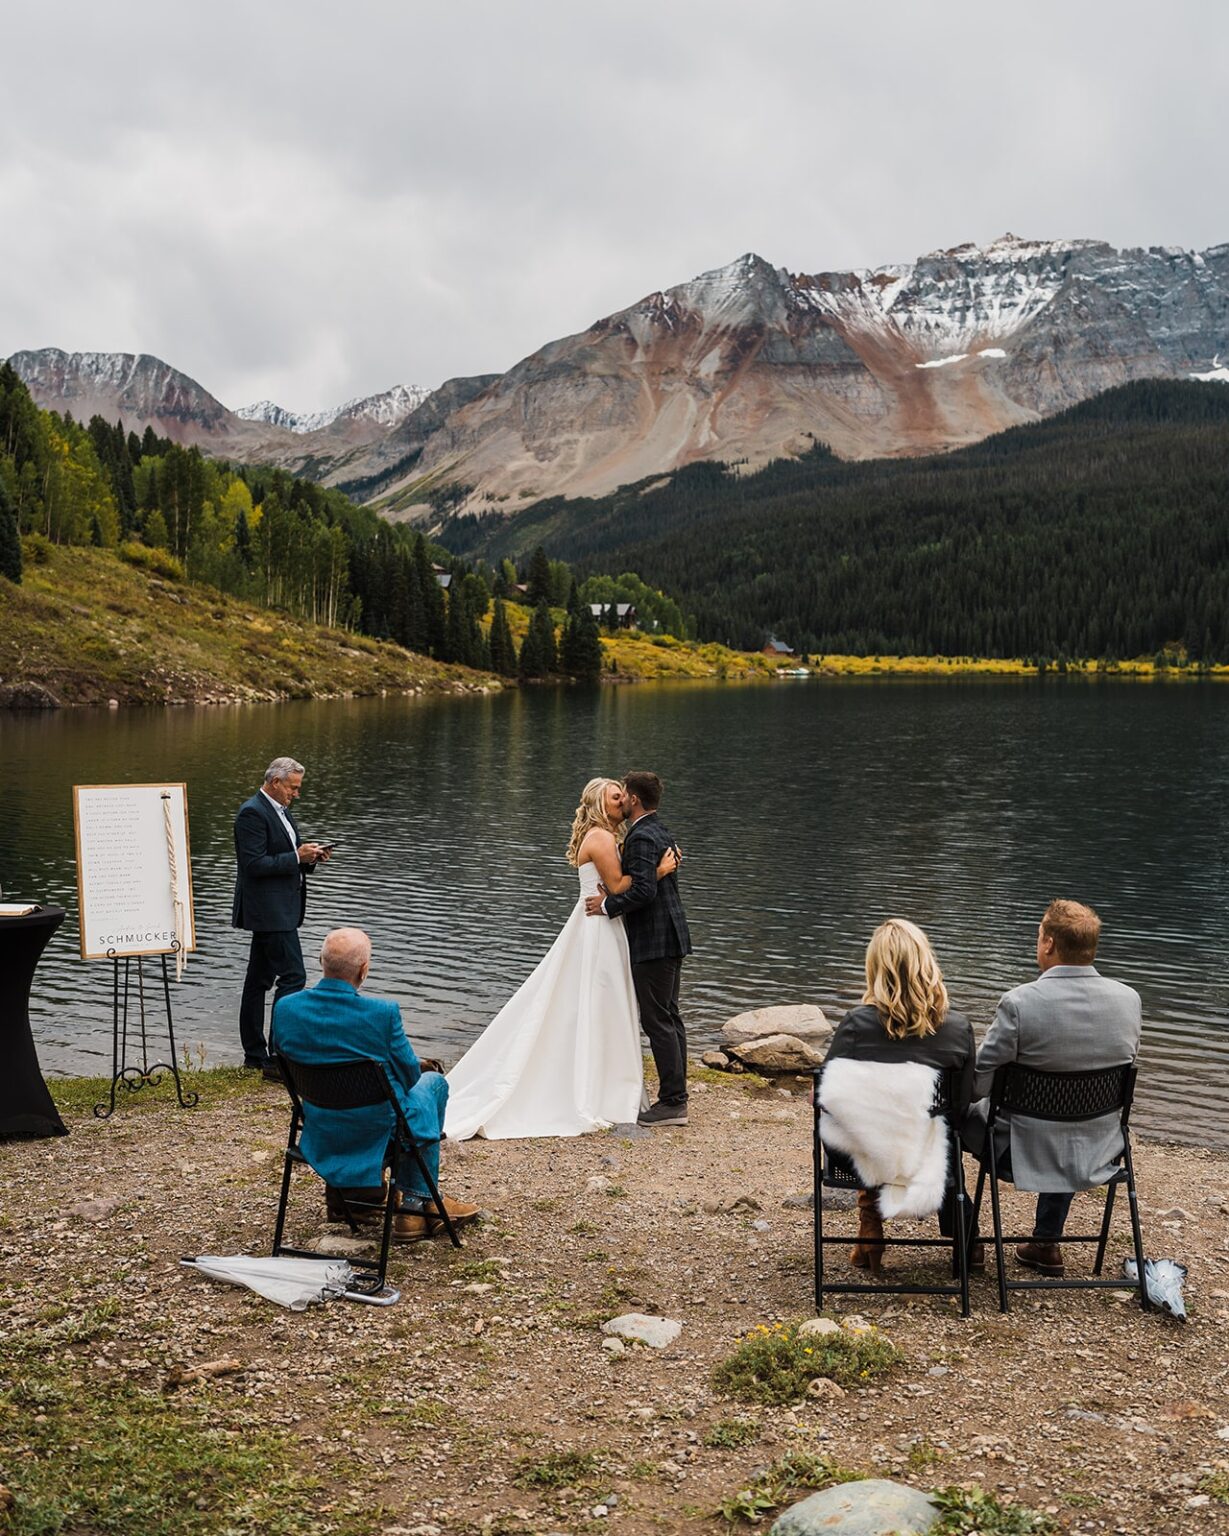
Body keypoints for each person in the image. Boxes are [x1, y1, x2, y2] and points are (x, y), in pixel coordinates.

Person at [445, 778, 678, 1140]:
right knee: (601, 1001)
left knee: (604, 1004)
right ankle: (599, 1087)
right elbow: (617, 887)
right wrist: (660, 871)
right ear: (599, 804)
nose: (621, 802)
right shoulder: (600, 838)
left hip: (607, 925)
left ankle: (609, 1083)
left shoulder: (607, 836)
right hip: (599, 929)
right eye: (614, 798)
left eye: (622, 796)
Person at [968, 899, 1141, 1277]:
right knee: (1068, 1120)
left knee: (954, 1117)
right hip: (1100, 1151)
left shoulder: (1019, 1003)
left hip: (1017, 1154)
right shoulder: (1129, 1000)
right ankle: (1046, 1244)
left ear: (1047, 944)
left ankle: (967, 1240)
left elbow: (979, 1083)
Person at [271, 928, 479, 1241]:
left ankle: (356, 1200)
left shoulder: (286, 1007)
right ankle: (415, 1205)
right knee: (432, 1083)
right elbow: (410, 1077)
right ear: (364, 970)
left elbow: (283, 1052)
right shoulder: (381, 1014)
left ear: (320, 962)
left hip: (319, 1119)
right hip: (376, 1125)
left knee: (400, 1097)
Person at [820, 919, 975, 1273]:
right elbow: (964, 1102)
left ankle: (870, 1226)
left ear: (875, 968)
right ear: (927, 964)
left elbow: (827, 1096)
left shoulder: (857, 1025)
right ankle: (968, 1241)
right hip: (930, 1159)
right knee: (942, 1129)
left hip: (861, 1159)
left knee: (856, 1121)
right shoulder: (957, 1028)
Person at [585, 770, 692, 1128]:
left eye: (623, 794)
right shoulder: (658, 829)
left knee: (657, 1019)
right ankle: (676, 1096)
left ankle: (673, 1102)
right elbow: (649, 882)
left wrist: (606, 907)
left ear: (633, 799)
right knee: (669, 1015)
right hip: (670, 936)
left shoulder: (642, 836)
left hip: (654, 939)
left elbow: (643, 891)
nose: (621, 799)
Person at [232, 756, 330, 1080]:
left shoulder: (281, 811)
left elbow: (288, 855)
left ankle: (255, 1056)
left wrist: (309, 857)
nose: (295, 795)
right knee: (294, 977)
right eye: (292, 788)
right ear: (275, 782)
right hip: (269, 912)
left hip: (282, 910)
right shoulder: (252, 813)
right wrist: (295, 856)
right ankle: (277, 1059)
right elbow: (253, 865)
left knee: (258, 981)